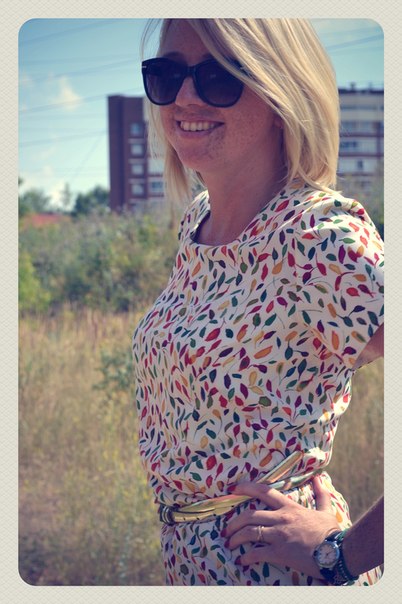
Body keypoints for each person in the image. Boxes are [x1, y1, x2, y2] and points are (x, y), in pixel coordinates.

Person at [132, 18, 384, 586]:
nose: (185, 97)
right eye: (167, 74)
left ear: (280, 93)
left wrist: (345, 552)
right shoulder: (199, 224)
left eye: (219, 76)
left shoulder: (318, 237)